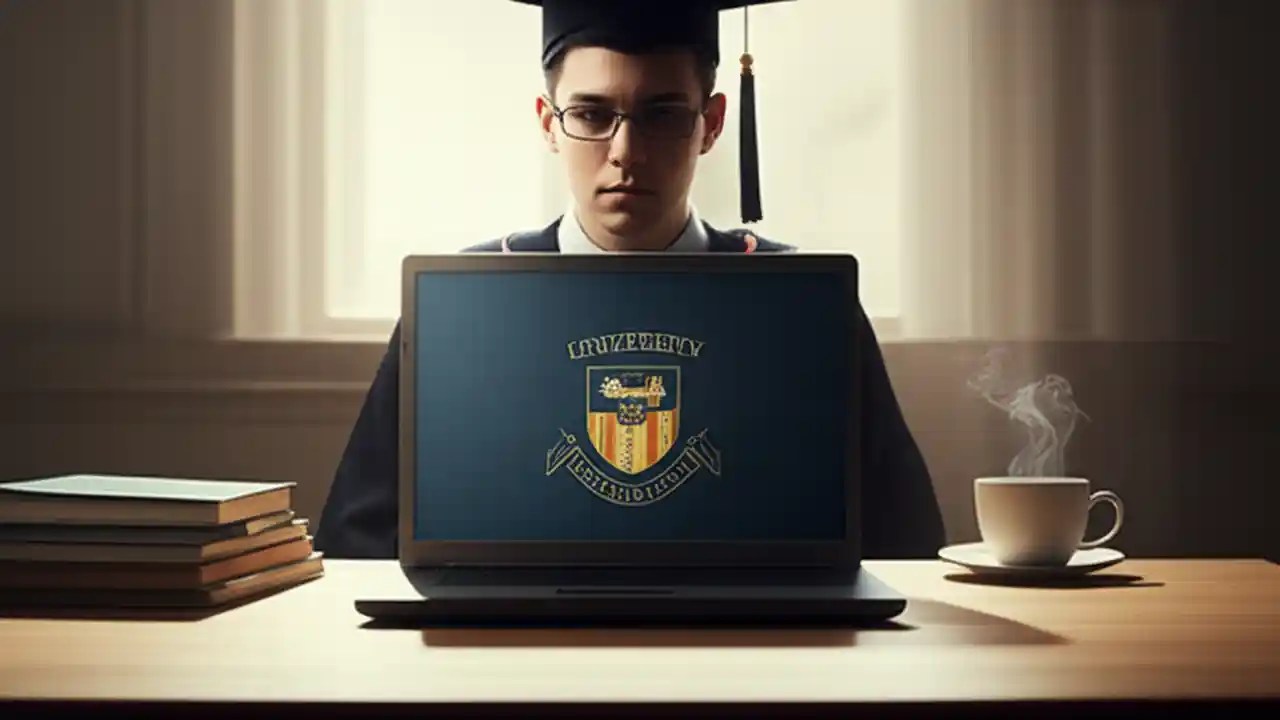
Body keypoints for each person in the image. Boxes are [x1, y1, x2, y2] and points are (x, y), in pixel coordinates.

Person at [314, 0, 945, 560]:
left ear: (713, 123)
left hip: (758, 648)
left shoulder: (806, 307)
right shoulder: (460, 306)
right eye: (590, 114)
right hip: (504, 649)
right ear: (546, 123)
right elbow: (357, 543)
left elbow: (903, 539)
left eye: (663, 114)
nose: (625, 150)